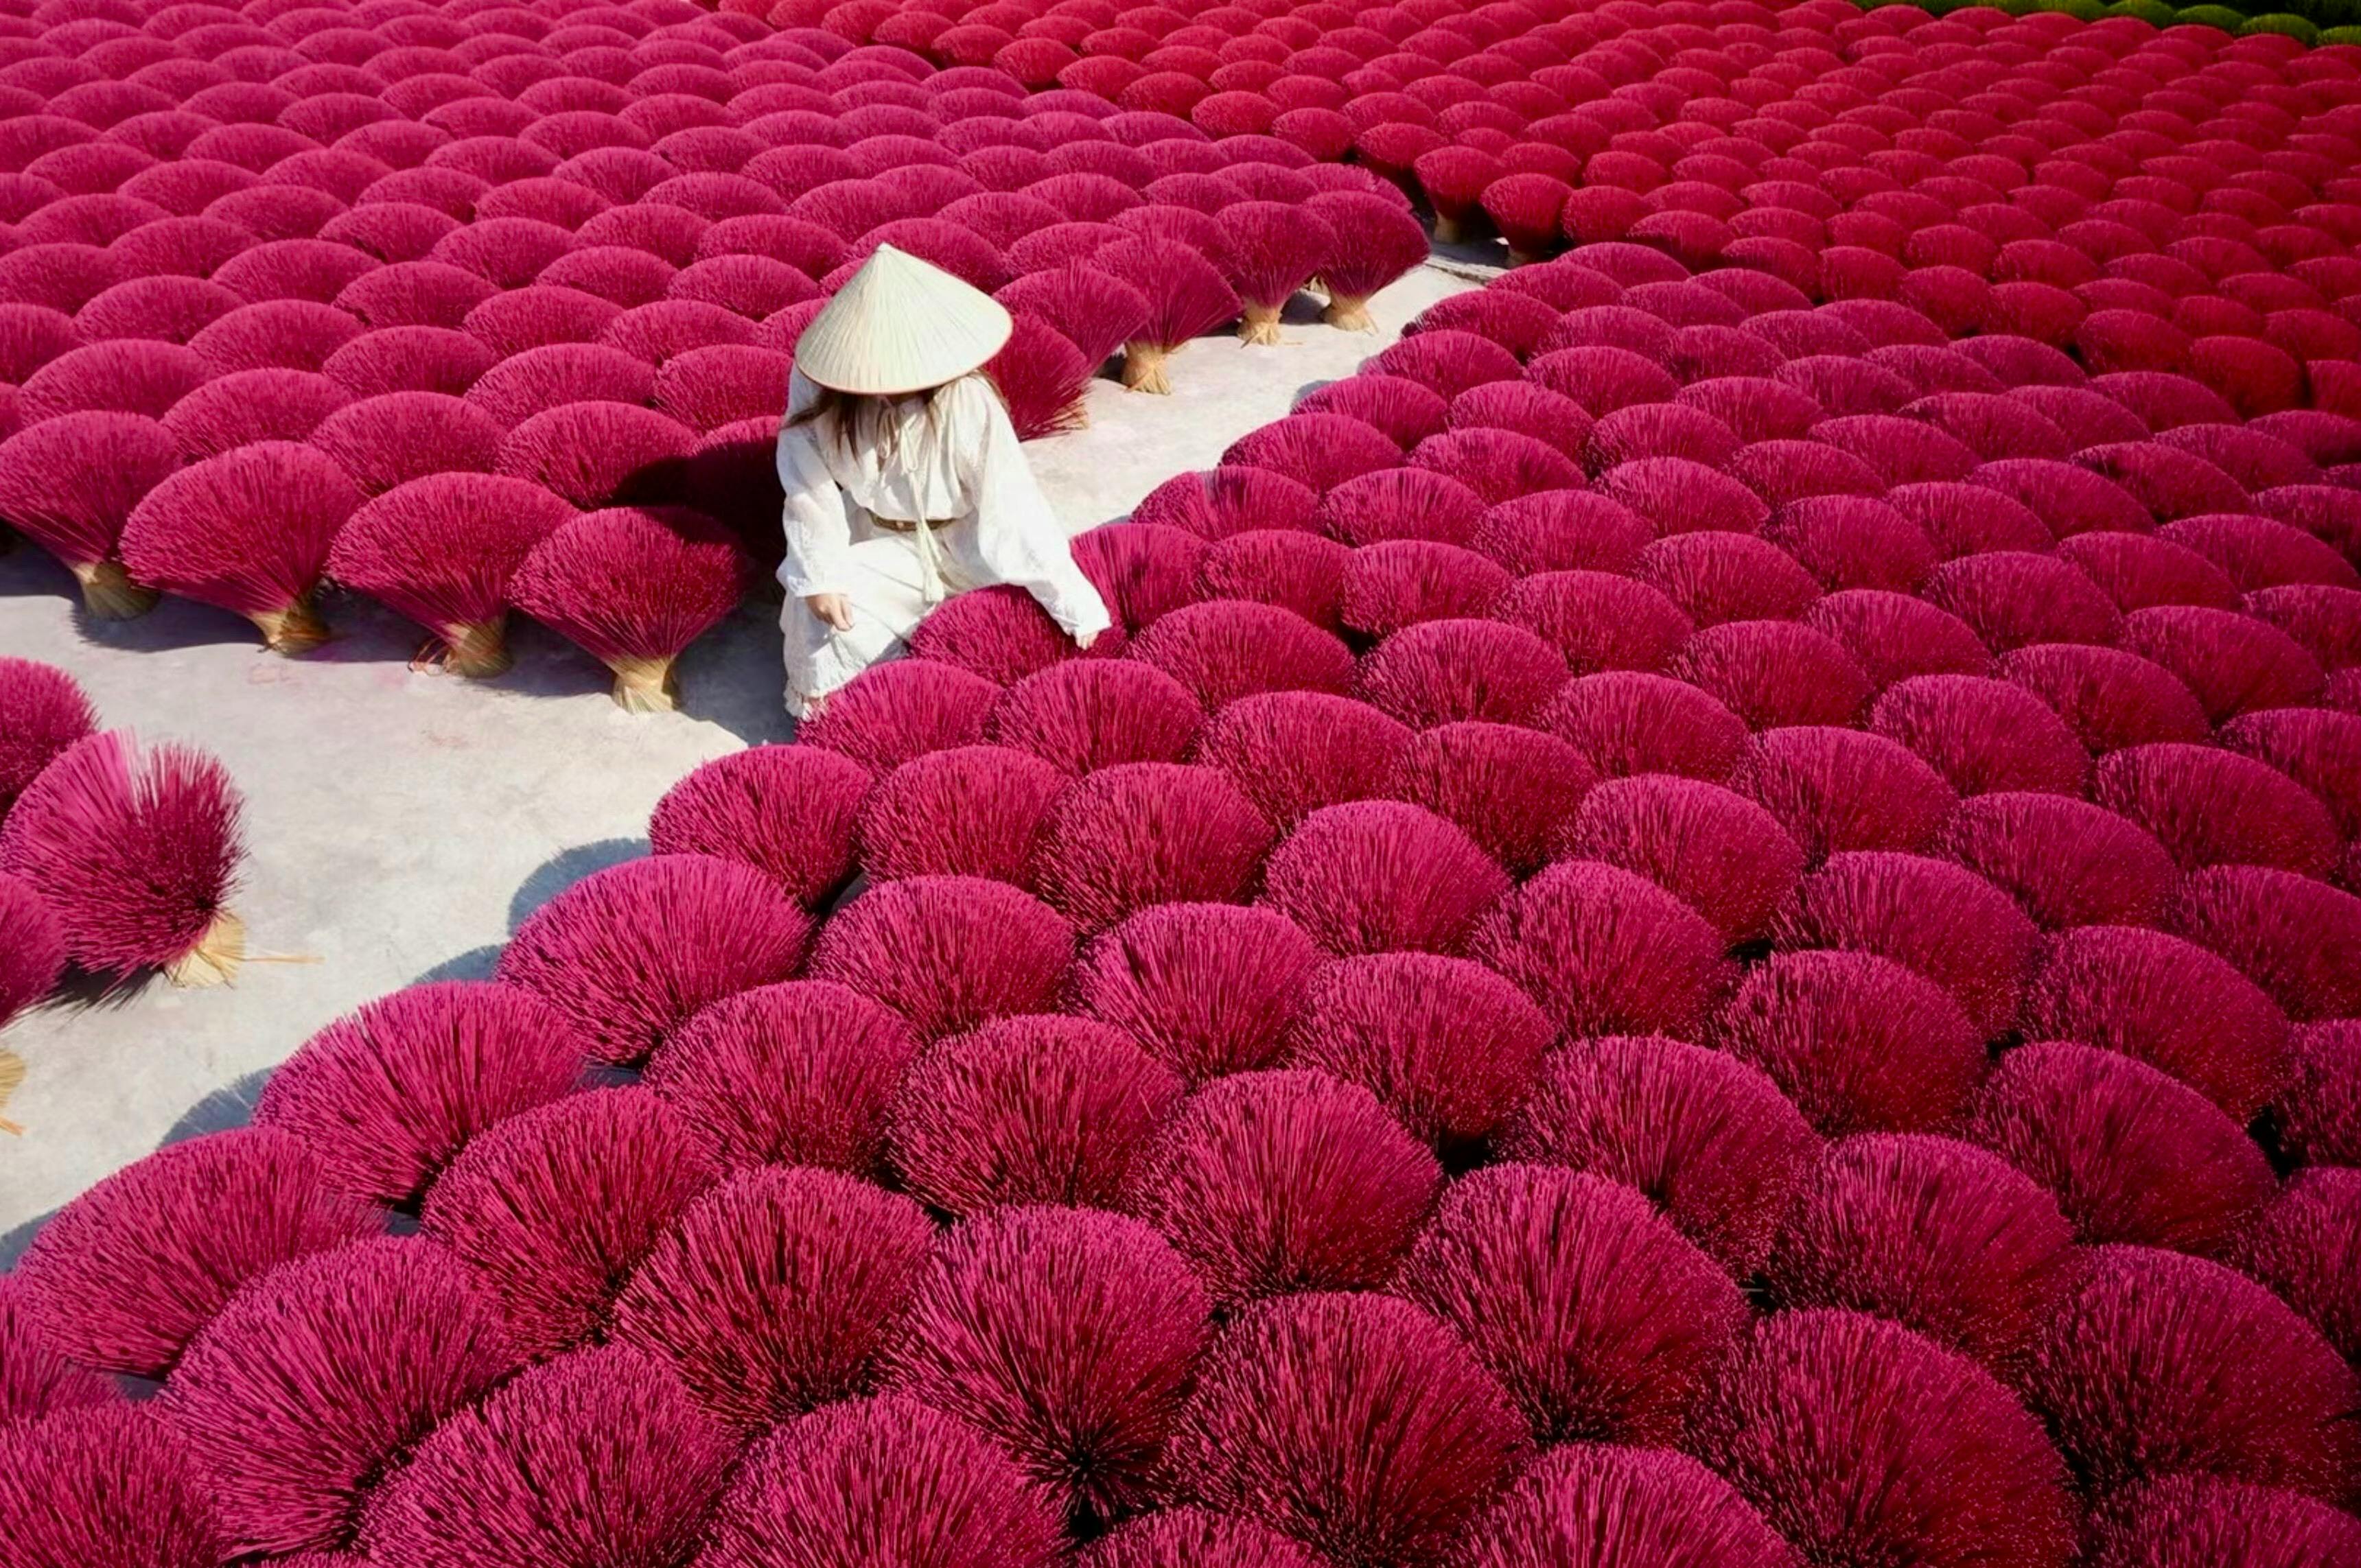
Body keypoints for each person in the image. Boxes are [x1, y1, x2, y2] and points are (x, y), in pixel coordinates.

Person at [774, 244, 1110, 717]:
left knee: (1002, 655)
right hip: (879, 542)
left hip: (968, 545)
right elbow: (805, 482)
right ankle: (844, 725)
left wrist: (1073, 602)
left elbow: (1013, 506)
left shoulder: (968, 399)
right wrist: (821, 571)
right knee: (817, 618)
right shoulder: (818, 386)